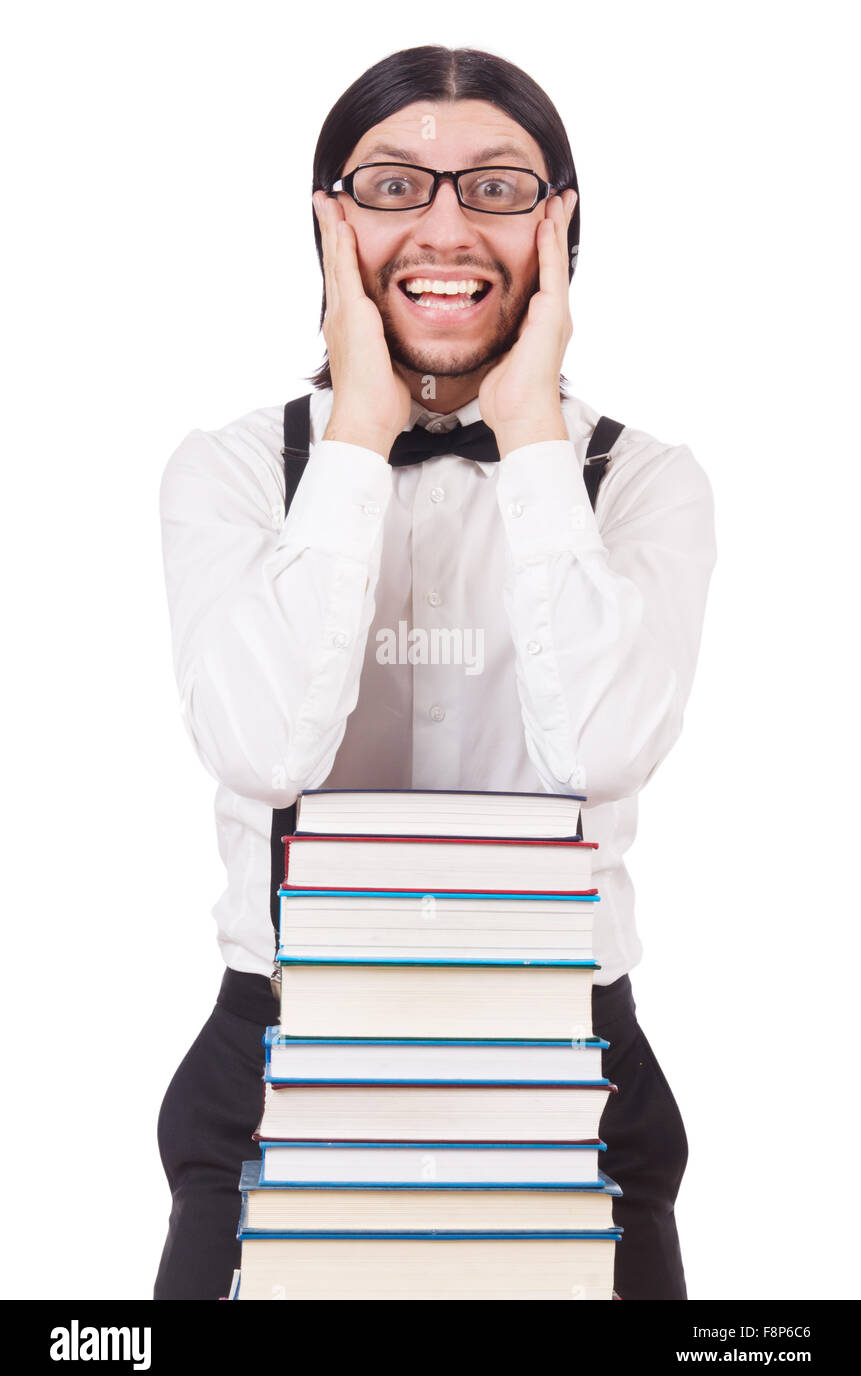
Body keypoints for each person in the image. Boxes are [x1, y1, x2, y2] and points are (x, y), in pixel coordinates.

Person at [154, 45, 717, 1301]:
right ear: (329, 220)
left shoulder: (647, 485)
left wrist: (529, 432)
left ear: (563, 228)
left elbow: (605, 747)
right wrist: (360, 425)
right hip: (274, 1065)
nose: (448, 225)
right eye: (396, 186)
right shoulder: (234, 472)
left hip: (578, 1066)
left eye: (500, 189)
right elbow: (263, 749)